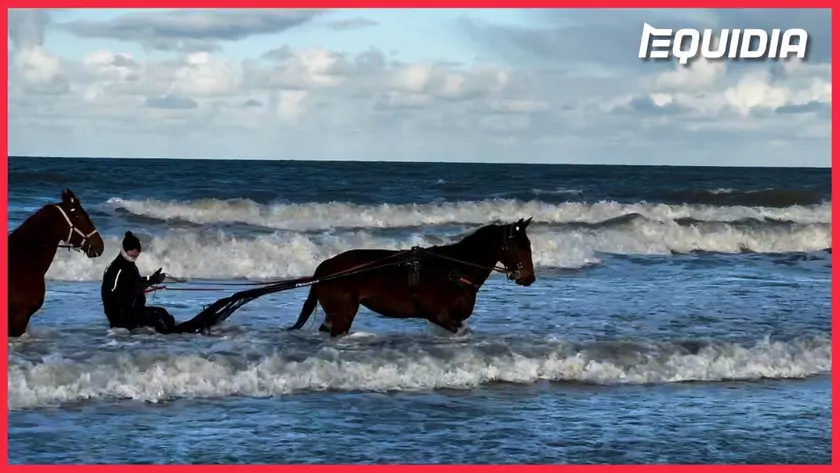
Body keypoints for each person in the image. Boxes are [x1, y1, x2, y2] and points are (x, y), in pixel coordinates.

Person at [100, 231, 177, 333]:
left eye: (137, 251)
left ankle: (174, 335)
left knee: (162, 313)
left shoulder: (128, 264)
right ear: (124, 250)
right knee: (160, 317)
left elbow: (136, 282)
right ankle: (175, 337)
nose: (135, 253)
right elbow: (110, 293)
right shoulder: (117, 269)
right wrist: (134, 290)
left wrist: (152, 279)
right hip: (122, 316)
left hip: (132, 311)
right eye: (131, 250)